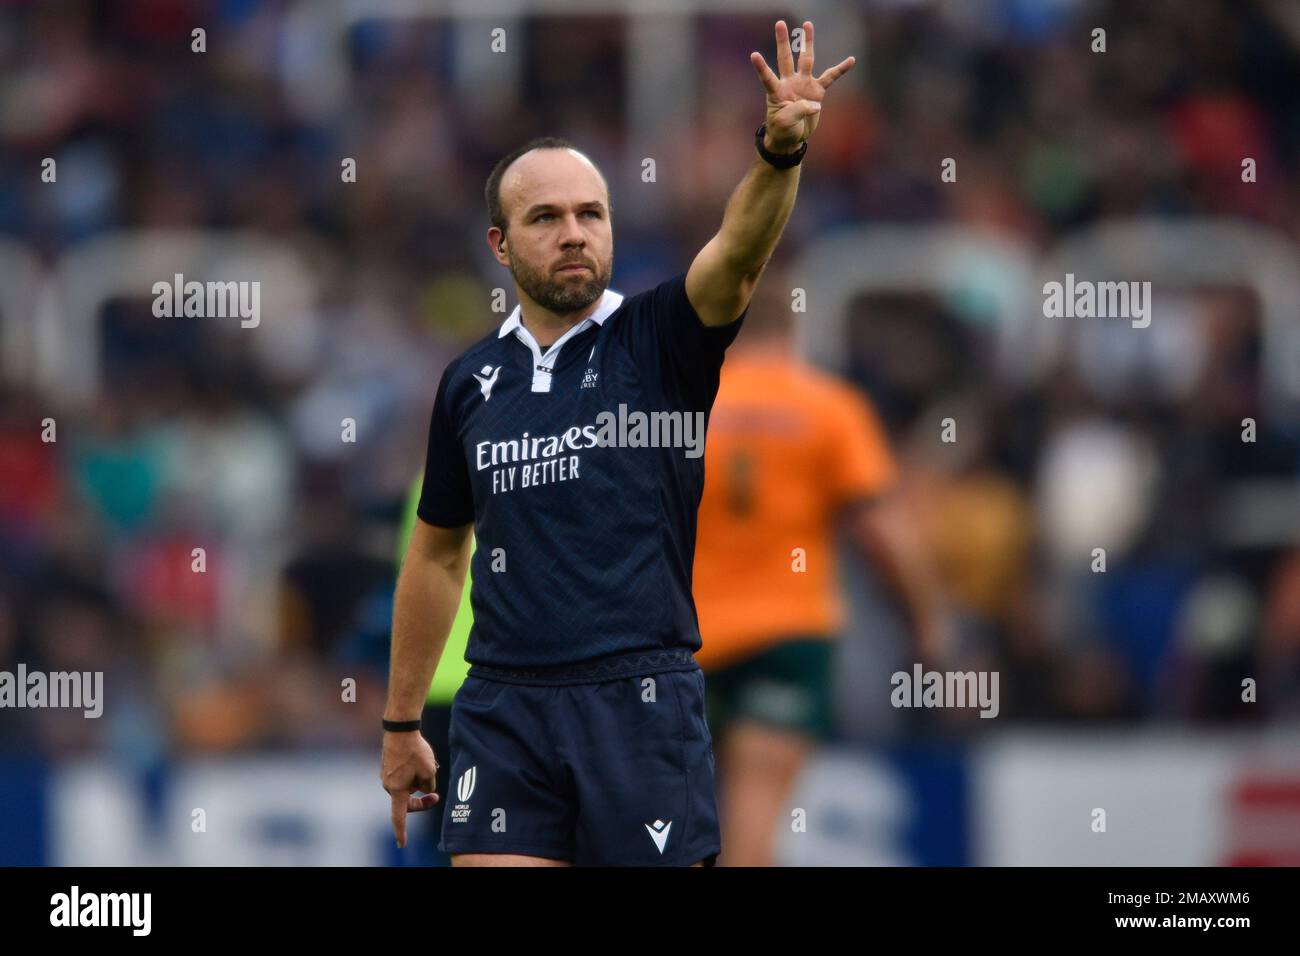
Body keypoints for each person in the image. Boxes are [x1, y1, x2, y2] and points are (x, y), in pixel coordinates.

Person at [381, 19, 856, 866]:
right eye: (546, 217)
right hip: (502, 707)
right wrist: (401, 721)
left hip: (640, 699)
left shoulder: (660, 338)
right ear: (500, 245)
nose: (573, 232)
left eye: (590, 213)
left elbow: (739, 255)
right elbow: (437, 557)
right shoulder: (467, 384)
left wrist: (780, 153)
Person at [693, 273, 947, 866]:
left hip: (685, 640)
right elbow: (883, 532)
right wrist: (928, 618)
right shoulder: (828, 406)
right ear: (794, 328)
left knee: (684, 817)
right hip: (787, 633)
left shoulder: (683, 405)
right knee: (757, 808)